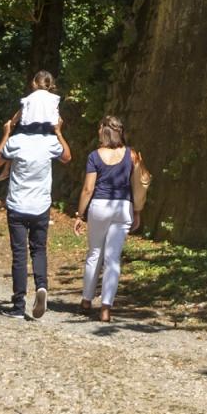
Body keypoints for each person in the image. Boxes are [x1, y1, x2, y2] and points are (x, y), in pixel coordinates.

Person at [0, 112, 72, 320]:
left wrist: (7, 133)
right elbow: (67, 156)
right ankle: (42, 286)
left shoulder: (17, 141)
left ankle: (18, 306)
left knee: (19, 254)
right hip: (41, 206)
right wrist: (58, 131)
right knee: (39, 250)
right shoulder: (49, 142)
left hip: (18, 205)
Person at [72, 115, 149, 322]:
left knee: (94, 253)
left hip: (99, 207)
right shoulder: (131, 155)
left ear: (104, 131)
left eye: (99, 128)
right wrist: (138, 211)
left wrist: (80, 215)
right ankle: (106, 308)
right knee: (113, 258)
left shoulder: (95, 156)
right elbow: (139, 185)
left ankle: (87, 301)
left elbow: (88, 189)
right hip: (123, 207)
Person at [0, 69, 61, 185]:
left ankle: (6, 169)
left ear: (34, 83)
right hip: (46, 130)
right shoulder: (53, 99)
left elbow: (21, 112)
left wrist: (12, 123)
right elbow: (56, 116)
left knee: (14, 143)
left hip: (29, 129)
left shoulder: (30, 98)